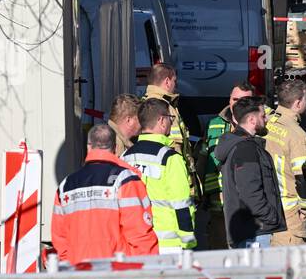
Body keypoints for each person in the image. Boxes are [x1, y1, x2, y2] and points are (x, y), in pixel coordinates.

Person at [52, 123, 159, 265]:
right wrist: (147, 272)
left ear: (89, 147)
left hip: (78, 274)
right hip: (115, 275)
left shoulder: (66, 186)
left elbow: (60, 241)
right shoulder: (125, 180)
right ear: (115, 148)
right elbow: (140, 236)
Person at [123, 98, 198, 252]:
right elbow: (181, 204)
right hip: (168, 246)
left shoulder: (125, 157)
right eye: (171, 119)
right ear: (162, 121)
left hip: (135, 243)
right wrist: (187, 241)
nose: (172, 123)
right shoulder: (170, 159)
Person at [215, 97, 287, 249]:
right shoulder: (246, 149)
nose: (266, 119)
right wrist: (271, 217)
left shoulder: (242, 145)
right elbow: (250, 193)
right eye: (263, 116)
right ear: (252, 120)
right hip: (254, 233)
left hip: (251, 231)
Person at [201, 81, 256, 250]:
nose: (237, 104)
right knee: (219, 253)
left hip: (248, 206)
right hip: (219, 203)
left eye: (244, 100)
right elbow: (204, 159)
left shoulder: (260, 125)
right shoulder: (214, 124)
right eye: (235, 99)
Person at [264, 78, 306, 246]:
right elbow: (303, 177)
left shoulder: (265, 122)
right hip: (288, 213)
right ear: (298, 103)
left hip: (263, 205)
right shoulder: (297, 136)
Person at [142, 64, 200, 200]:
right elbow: (176, 148)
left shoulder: (145, 102)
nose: (175, 85)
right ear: (167, 82)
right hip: (171, 181)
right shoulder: (165, 108)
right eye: (175, 81)